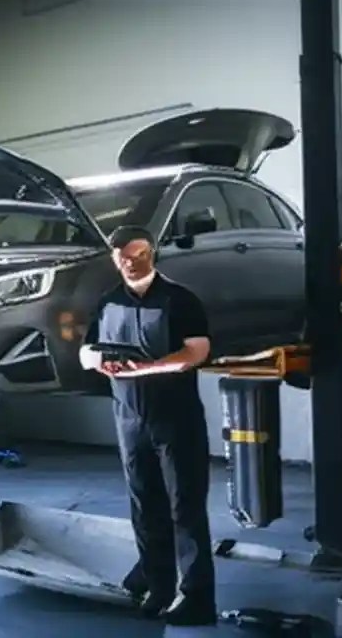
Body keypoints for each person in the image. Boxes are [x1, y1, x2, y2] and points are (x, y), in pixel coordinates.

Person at [77, 224, 217, 627]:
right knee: (144, 503)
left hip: (176, 418)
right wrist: (97, 362)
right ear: (114, 258)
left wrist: (151, 367)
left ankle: (196, 597)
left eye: (138, 254)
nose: (131, 262)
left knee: (185, 507)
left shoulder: (180, 300)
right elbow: (87, 348)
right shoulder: (107, 302)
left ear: (151, 253)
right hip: (129, 417)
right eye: (123, 256)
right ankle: (157, 586)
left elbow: (197, 351)